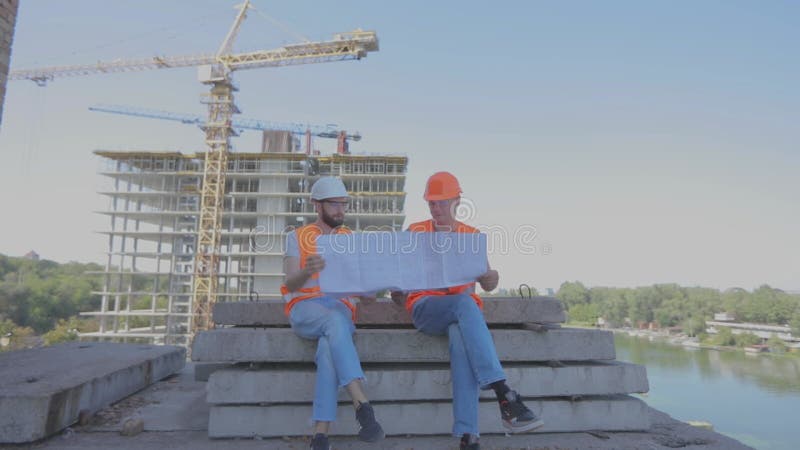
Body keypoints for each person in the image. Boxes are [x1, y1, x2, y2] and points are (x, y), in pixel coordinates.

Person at [392, 171, 543, 450]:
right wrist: (397, 290)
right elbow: (398, 287)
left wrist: (491, 278)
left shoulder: (471, 237)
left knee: (461, 341)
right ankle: (503, 391)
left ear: (457, 200)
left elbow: (487, 281)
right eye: (431, 203)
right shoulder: (414, 233)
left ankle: (468, 436)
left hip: (461, 316)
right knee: (463, 303)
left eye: (442, 202)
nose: (436, 208)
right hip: (426, 309)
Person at [282, 176, 384, 450]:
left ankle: (320, 435)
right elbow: (290, 282)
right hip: (305, 310)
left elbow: (368, 294)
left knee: (329, 347)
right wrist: (308, 270)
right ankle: (360, 399)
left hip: (339, 312)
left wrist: (370, 291)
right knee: (334, 322)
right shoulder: (297, 236)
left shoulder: (350, 239)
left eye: (344, 204)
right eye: (334, 204)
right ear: (317, 205)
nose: (341, 210)